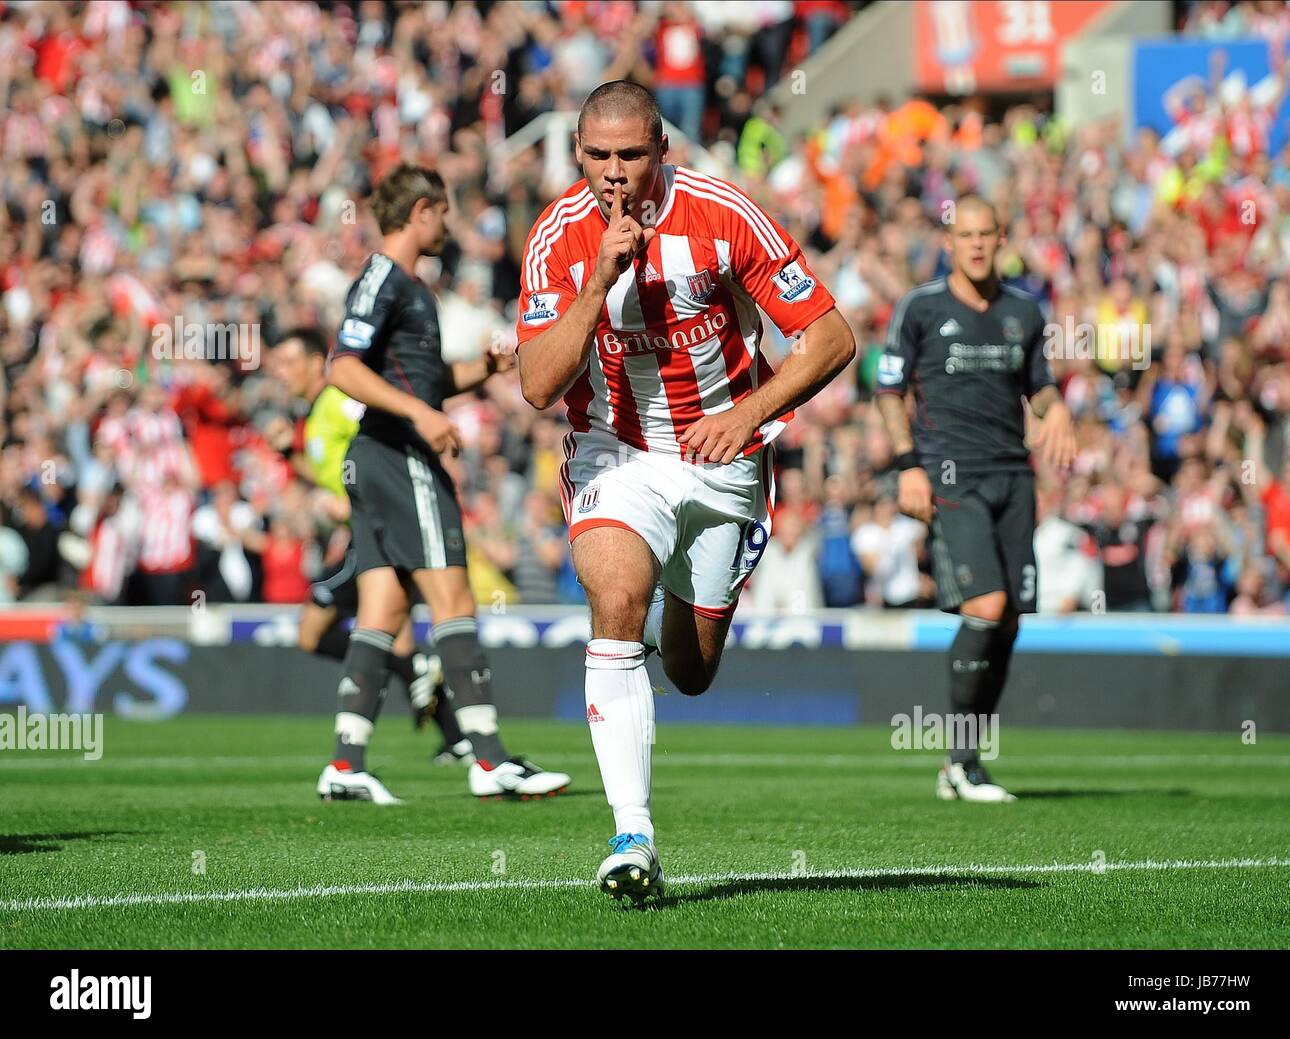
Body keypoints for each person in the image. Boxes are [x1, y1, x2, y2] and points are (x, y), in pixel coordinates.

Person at [515, 81, 856, 900]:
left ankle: (689, 594)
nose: (614, 173)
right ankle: (632, 835)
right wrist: (598, 283)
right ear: (578, 155)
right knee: (616, 599)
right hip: (616, 452)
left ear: (663, 148)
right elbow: (534, 383)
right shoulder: (558, 238)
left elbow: (832, 338)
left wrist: (751, 413)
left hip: (722, 454)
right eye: (597, 156)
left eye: (631, 155)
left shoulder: (725, 214)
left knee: (693, 668)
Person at [318, 163, 569, 804]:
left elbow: (418, 383)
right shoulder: (385, 279)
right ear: (423, 210)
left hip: (378, 456)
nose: (449, 224)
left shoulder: (409, 287)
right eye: (445, 211)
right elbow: (342, 367)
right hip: (399, 457)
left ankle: (345, 767)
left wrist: (480, 370)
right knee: (453, 597)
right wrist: (422, 416)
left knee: (384, 610)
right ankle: (488, 760)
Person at [875, 193, 1077, 803]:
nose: (978, 244)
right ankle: (962, 761)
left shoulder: (1024, 310)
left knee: (1010, 620)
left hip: (1014, 475)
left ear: (1002, 236)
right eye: (967, 235)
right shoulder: (920, 307)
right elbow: (888, 393)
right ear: (949, 241)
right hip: (950, 476)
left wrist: (1058, 407)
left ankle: (965, 763)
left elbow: (1037, 387)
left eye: (988, 233)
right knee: (986, 606)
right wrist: (909, 467)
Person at [270, 328, 471, 764]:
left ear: (312, 361)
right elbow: (332, 476)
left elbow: (382, 445)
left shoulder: (342, 401)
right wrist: (292, 457)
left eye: (287, 363)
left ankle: (364, 746)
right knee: (391, 638)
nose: (280, 373)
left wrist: (365, 499)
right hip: (368, 530)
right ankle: (457, 736)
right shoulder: (314, 416)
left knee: (319, 630)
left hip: (381, 530)